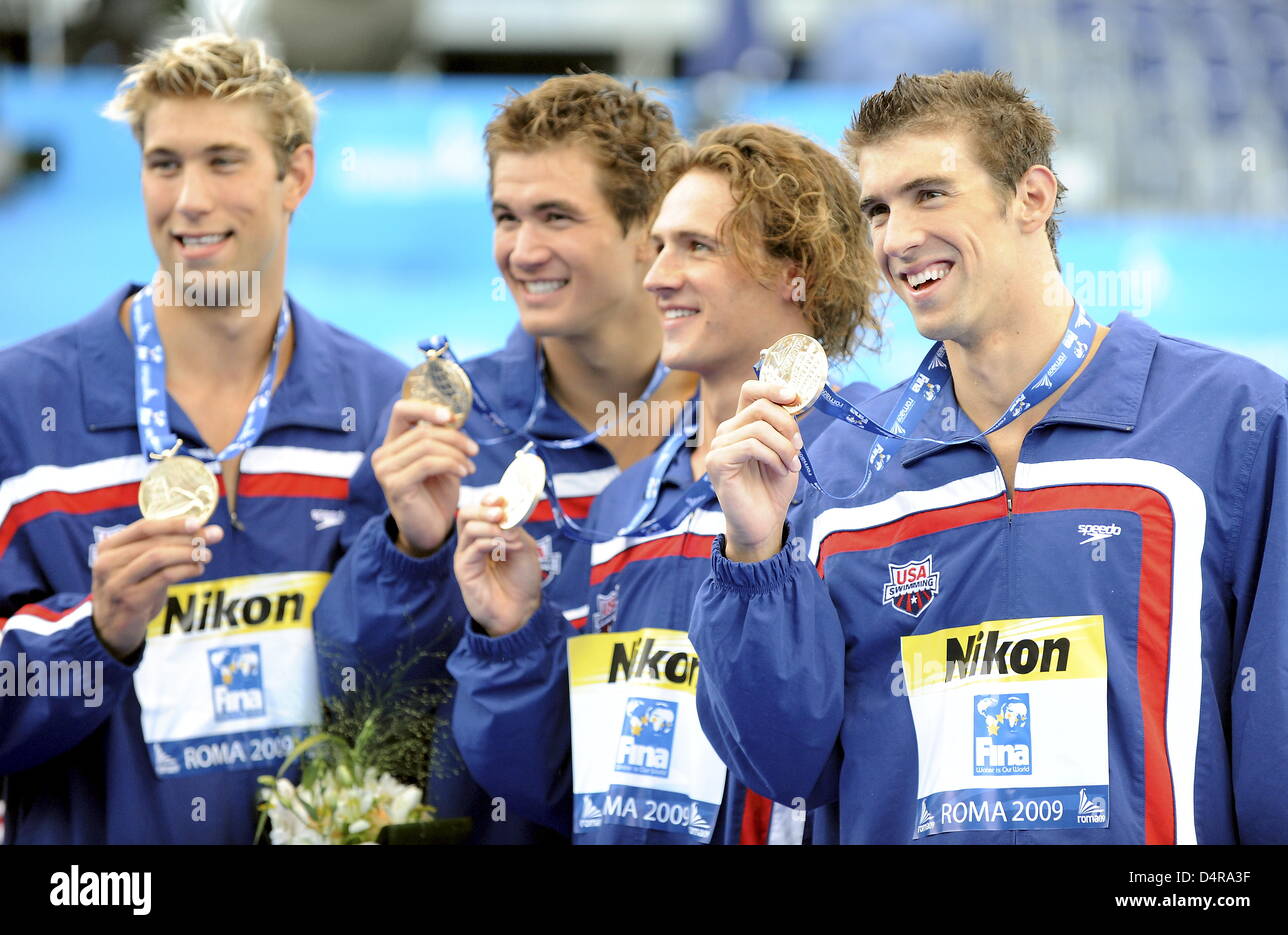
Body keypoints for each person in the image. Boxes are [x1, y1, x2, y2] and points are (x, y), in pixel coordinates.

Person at [691, 70, 1288, 844]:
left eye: (930, 194)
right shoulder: (836, 468)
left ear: (1033, 197)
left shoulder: (1234, 418)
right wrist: (753, 555)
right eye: (877, 208)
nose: (896, 238)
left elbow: (1283, 746)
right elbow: (784, 769)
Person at [0, 33, 407, 844]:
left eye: (224, 161)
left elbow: (418, 706)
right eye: (164, 163)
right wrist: (98, 627)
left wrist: (421, 557)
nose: (188, 198)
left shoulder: (381, 407)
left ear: (298, 175)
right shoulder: (22, 405)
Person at [447, 123, 883, 844]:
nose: (657, 275)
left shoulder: (867, 474)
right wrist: (512, 631)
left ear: (793, 271)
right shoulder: (629, 502)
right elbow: (567, 788)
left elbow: (836, 758)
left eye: (698, 246)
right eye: (659, 245)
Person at [312, 73, 696, 843]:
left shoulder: (738, 422)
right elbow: (364, 707)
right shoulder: (451, 424)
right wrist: (412, 551)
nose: (522, 251)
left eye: (556, 216)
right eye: (506, 216)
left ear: (646, 228)